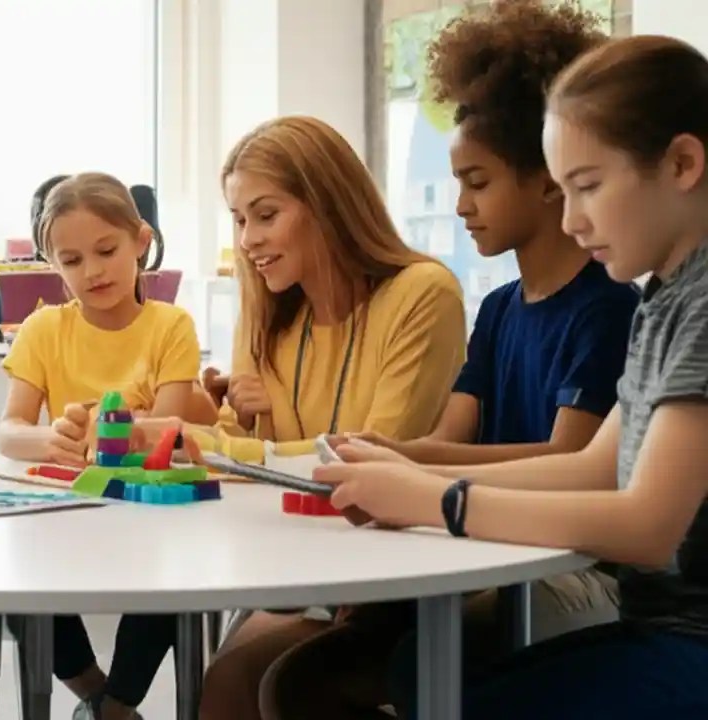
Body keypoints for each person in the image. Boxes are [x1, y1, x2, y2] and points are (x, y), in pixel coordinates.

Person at [257, 4, 634, 718]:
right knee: (296, 682)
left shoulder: (606, 308)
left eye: (479, 182)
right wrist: (386, 454)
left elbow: (569, 459)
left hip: (572, 570)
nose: (460, 205)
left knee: (396, 659)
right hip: (484, 541)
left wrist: (420, 477)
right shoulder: (496, 310)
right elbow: (448, 440)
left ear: (549, 179)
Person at [319, 34, 708, 720]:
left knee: (443, 690)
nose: (571, 218)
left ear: (681, 163)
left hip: (691, 646)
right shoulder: (664, 299)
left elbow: (648, 524)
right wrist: (413, 480)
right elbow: (595, 467)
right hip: (667, 632)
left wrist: (439, 502)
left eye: (587, 187)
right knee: (418, 673)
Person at [197, 115, 467, 720]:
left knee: (244, 681)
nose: (247, 240)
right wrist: (183, 425)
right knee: (227, 683)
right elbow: (251, 447)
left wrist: (204, 444)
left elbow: (370, 456)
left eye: (266, 215)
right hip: (307, 568)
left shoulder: (422, 293)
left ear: (328, 203)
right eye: (239, 220)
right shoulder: (272, 317)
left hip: (399, 576)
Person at [0, 172, 203, 720]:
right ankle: (102, 699)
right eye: (70, 260)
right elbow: (10, 431)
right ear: (53, 265)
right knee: (19, 591)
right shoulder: (43, 329)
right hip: (70, 511)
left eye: (107, 250)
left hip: (146, 513)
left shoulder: (171, 326)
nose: (91, 271)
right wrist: (50, 436)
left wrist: (127, 427)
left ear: (140, 242)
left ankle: (111, 708)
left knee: (169, 588)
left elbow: (171, 426)